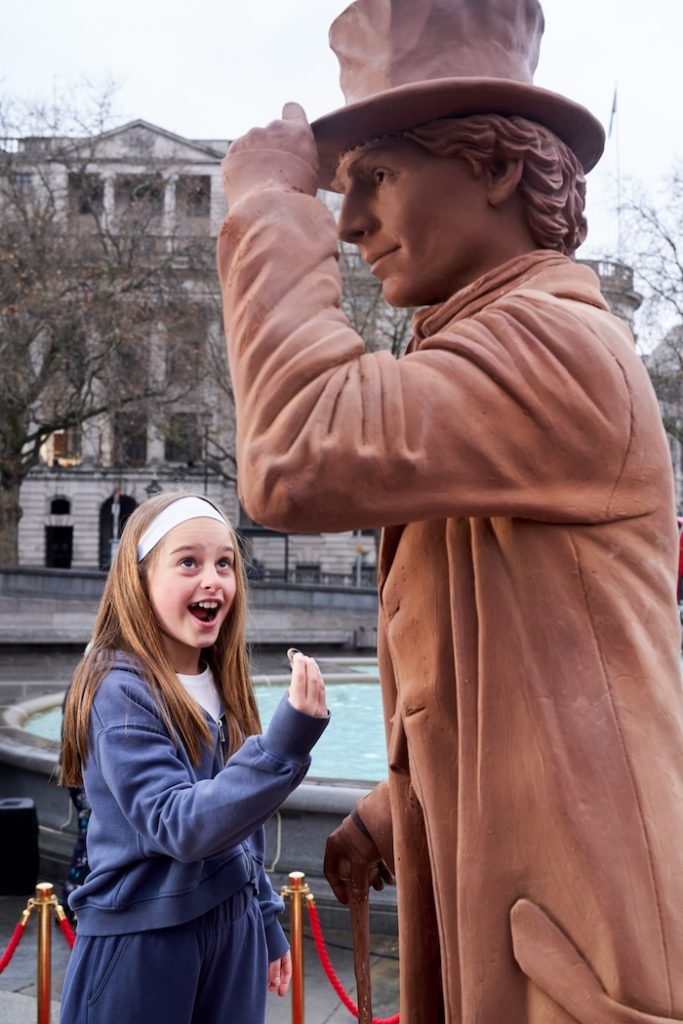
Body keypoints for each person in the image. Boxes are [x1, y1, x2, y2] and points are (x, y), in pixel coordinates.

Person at [216, 0, 683, 1020]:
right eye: (336, 193)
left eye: (372, 178)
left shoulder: (555, 347)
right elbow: (508, 665)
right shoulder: (487, 349)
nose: (344, 224)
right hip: (539, 916)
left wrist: (263, 208)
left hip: (577, 957)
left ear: (498, 167)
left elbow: (295, 449)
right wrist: (400, 808)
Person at [59, 492, 328, 1024]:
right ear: (139, 581)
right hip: (145, 941)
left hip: (233, 932)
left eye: (224, 563)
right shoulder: (118, 688)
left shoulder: (222, 683)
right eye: (189, 562)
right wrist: (283, 746)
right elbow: (179, 823)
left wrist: (266, 918)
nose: (213, 579)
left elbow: (239, 825)